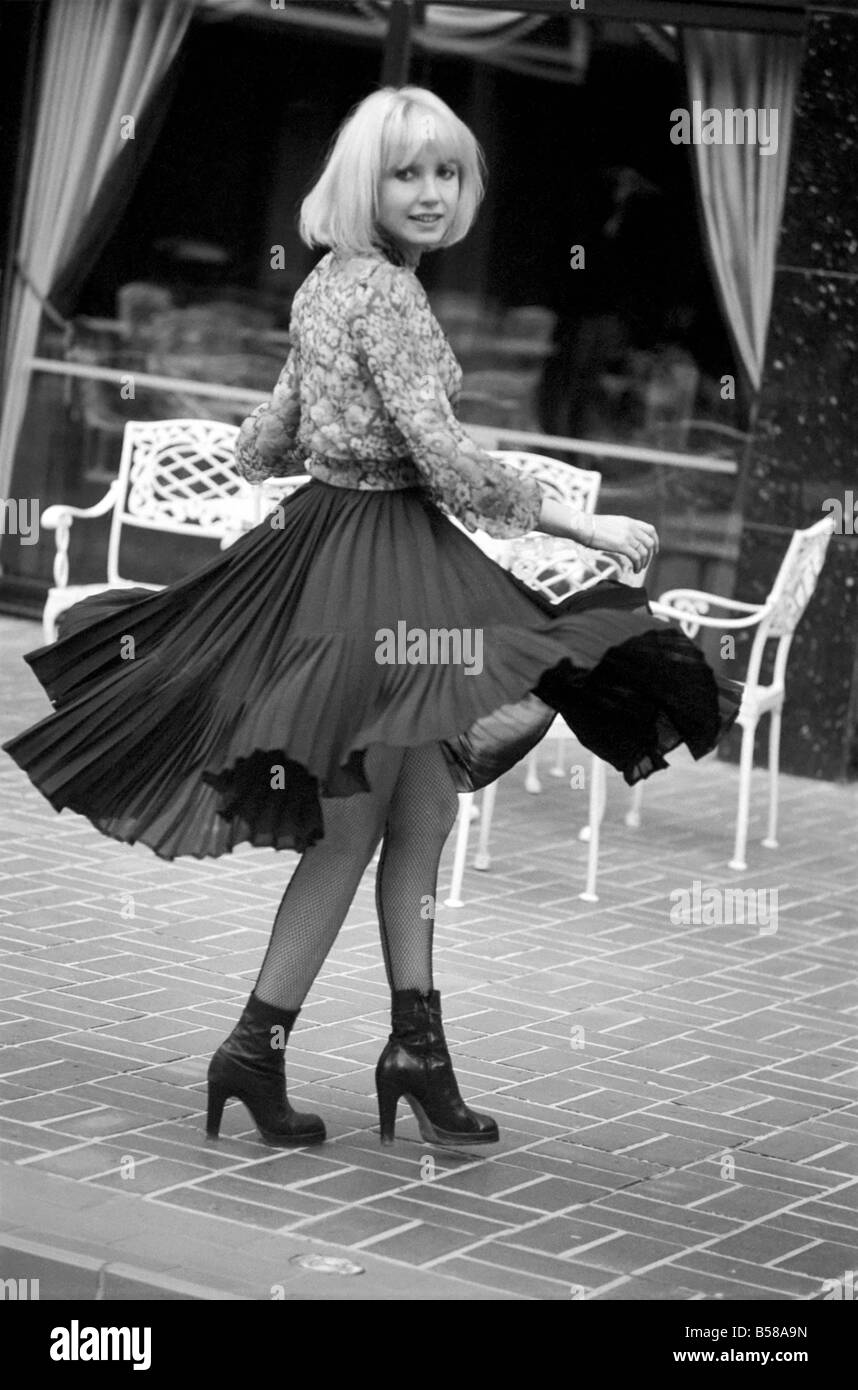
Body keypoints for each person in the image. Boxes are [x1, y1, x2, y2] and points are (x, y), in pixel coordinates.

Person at [3, 86, 740, 1152]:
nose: (431, 192)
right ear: (366, 183)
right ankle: (256, 1047)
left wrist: (271, 438)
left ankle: (411, 1051)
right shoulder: (388, 298)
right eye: (407, 174)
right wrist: (573, 517)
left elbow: (275, 436)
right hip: (378, 573)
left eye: (446, 172)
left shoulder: (329, 284)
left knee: (421, 814)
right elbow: (437, 457)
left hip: (348, 557)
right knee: (356, 826)